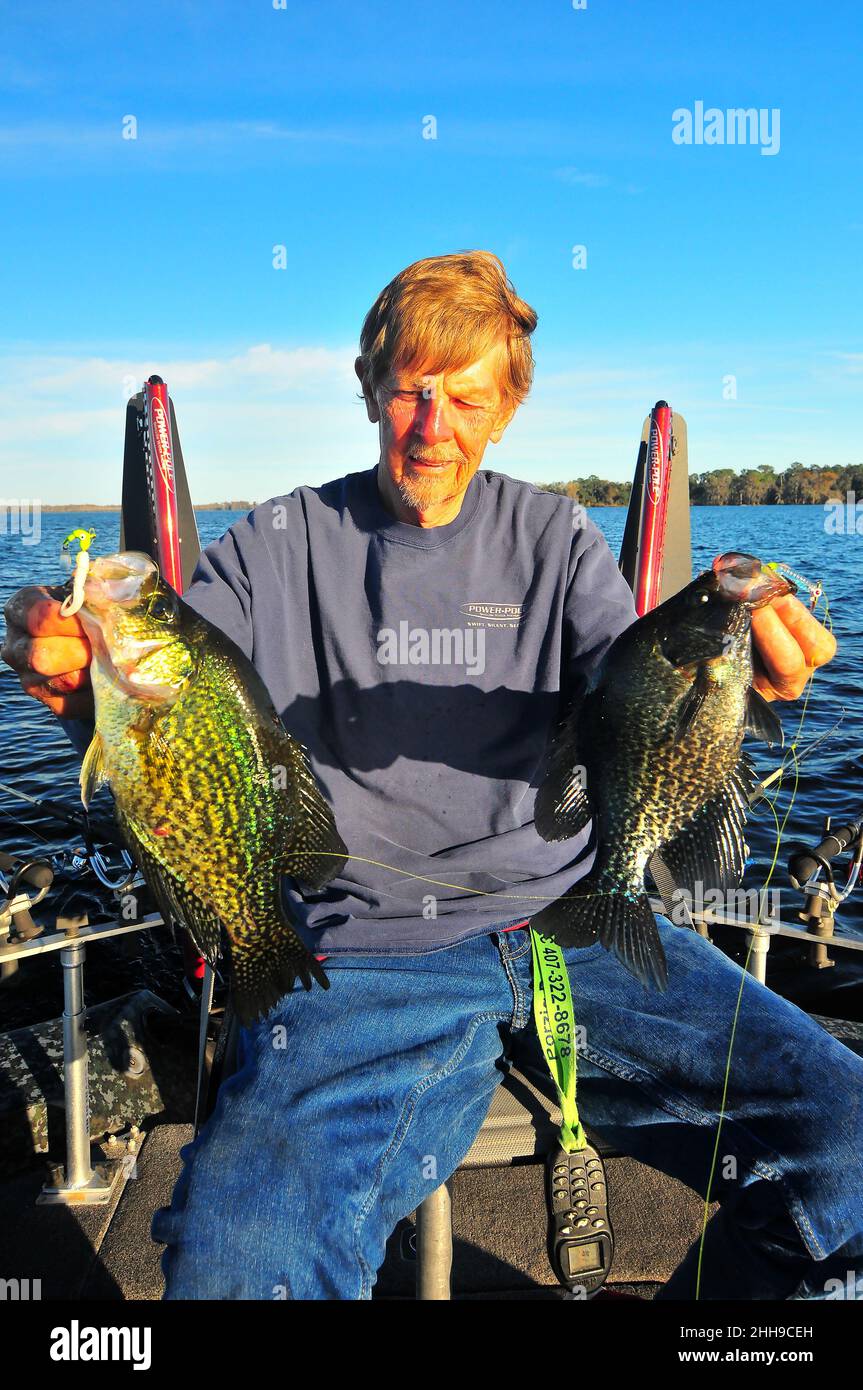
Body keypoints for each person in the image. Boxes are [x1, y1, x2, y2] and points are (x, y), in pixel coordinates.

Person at [3, 252, 858, 1302]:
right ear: (367, 387)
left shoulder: (554, 536)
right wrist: (82, 668)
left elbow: (623, 695)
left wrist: (738, 687)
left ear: (505, 408)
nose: (431, 425)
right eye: (409, 389)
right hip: (364, 959)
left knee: (847, 1142)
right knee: (242, 1262)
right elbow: (178, 683)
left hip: (571, 920)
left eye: (463, 397)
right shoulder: (274, 542)